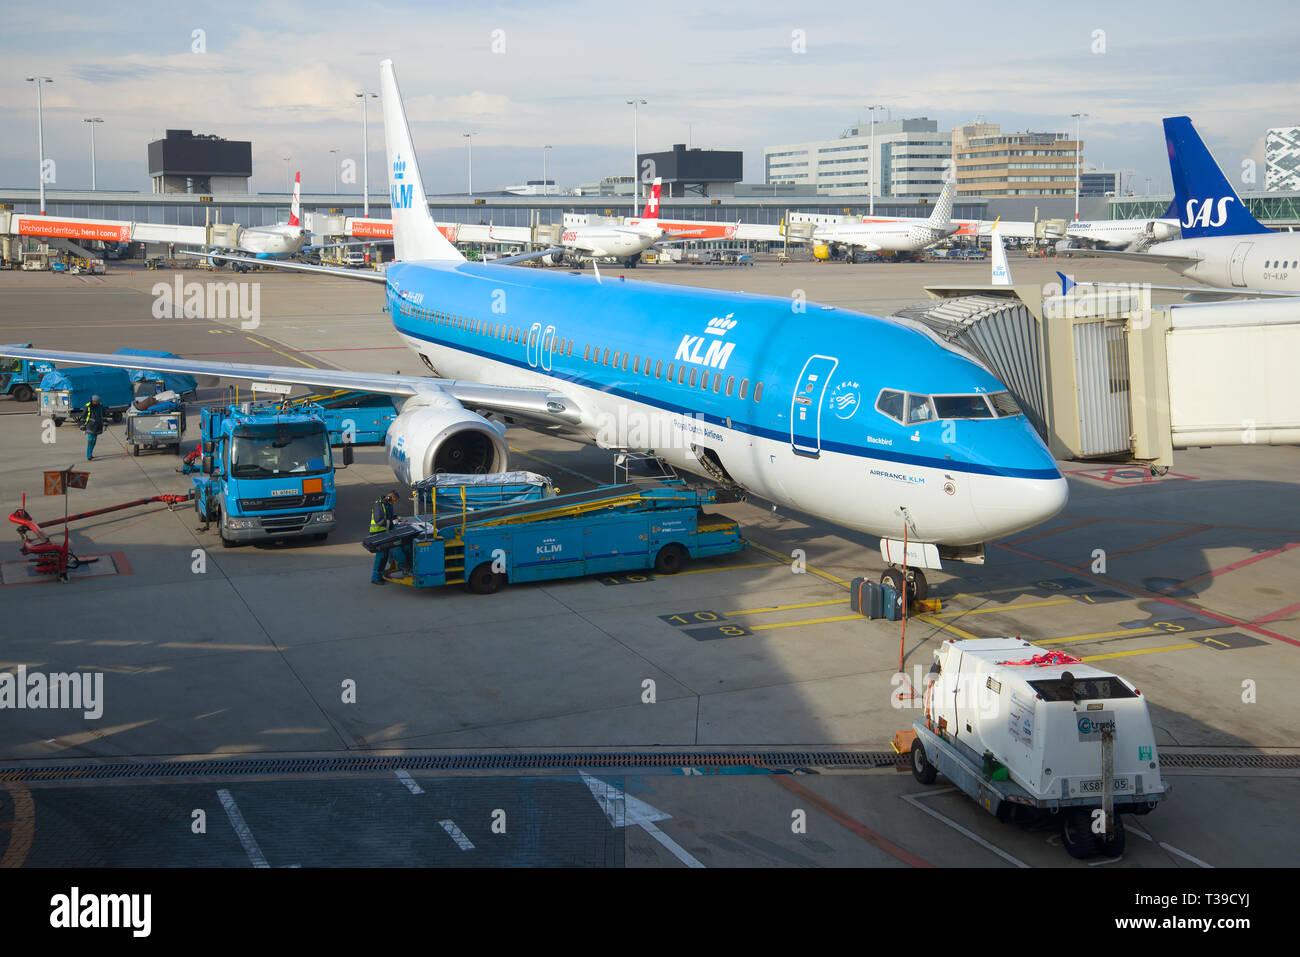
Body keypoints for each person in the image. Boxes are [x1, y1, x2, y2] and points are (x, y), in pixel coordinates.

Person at [369, 490, 404, 585]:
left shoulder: (388, 505)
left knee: (387, 554)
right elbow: (379, 521)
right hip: (378, 534)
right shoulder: (378, 505)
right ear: (388, 498)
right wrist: (392, 522)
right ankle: (375, 578)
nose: (394, 502)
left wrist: (397, 518)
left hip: (385, 533)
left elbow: (390, 516)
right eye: (394, 500)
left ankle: (381, 574)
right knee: (381, 556)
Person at [81, 395, 107, 460]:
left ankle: (90, 454)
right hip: (90, 426)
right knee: (90, 440)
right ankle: (88, 456)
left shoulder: (100, 406)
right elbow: (83, 417)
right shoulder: (88, 406)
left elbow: (103, 415)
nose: (97, 402)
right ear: (93, 401)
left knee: (94, 441)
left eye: (98, 401)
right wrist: (83, 428)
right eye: (96, 401)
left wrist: (105, 424)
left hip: (97, 426)